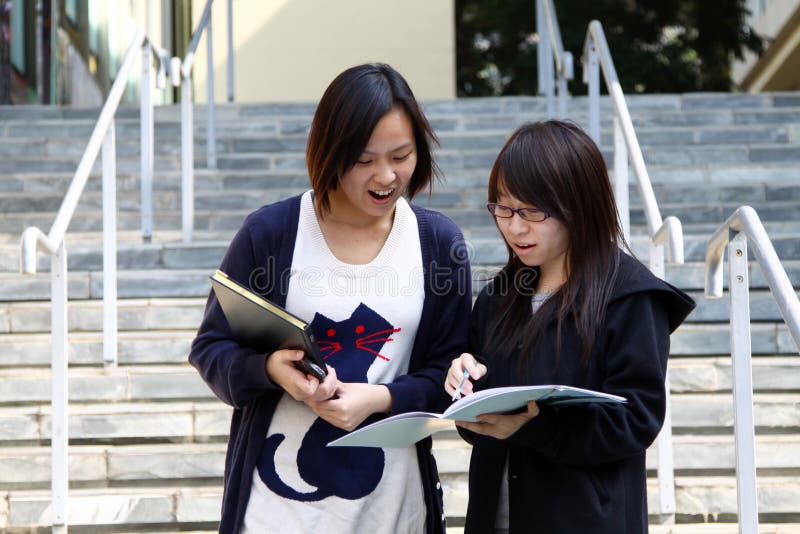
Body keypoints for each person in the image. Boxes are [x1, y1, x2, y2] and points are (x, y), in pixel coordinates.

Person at [190, 63, 472, 534]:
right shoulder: (270, 234)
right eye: (364, 160)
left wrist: (381, 397)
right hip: (273, 513)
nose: (386, 176)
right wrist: (269, 370)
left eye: (401, 156)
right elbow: (211, 349)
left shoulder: (438, 243)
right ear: (329, 152)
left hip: (394, 510)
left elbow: (448, 375)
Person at [443, 120, 695, 534]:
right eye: (502, 208)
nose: (515, 227)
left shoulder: (629, 297)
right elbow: (477, 429)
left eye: (532, 211)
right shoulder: (499, 297)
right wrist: (463, 385)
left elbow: (636, 420)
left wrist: (533, 427)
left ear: (579, 205)